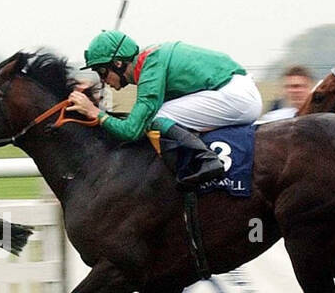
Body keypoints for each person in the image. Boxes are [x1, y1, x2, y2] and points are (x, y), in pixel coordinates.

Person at [67, 30, 263, 186]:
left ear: (118, 63)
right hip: (236, 90)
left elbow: (133, 130)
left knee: (156, 118)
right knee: (160, 116)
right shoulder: (150, 61)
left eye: (102, 71)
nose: (103, 80)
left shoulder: (151, 70)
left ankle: (207, 159)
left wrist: (95, 113)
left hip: (236, 96)